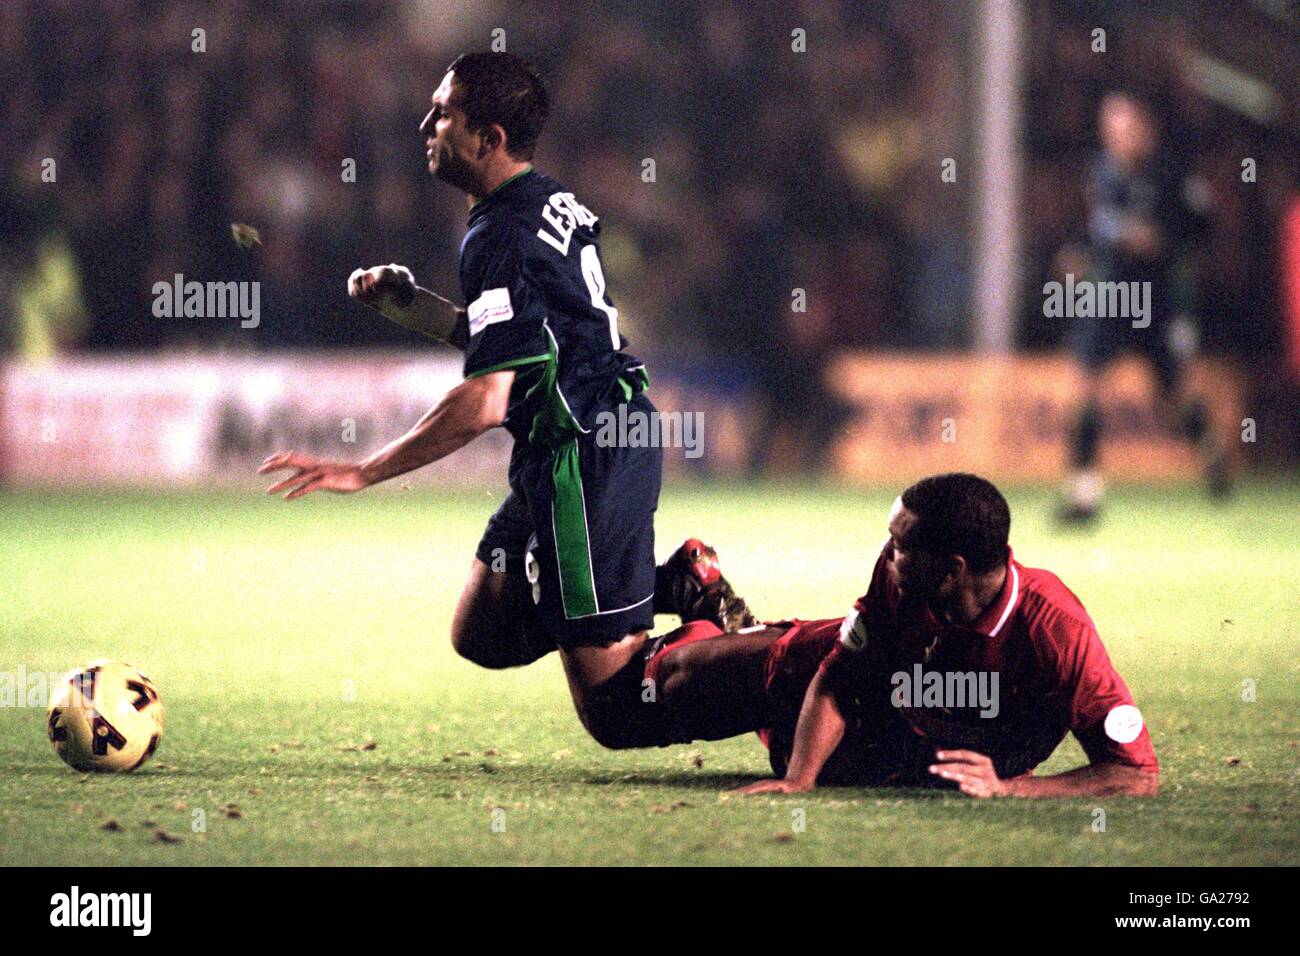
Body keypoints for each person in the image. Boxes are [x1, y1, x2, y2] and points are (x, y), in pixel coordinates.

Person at [258, 52, 752, 747]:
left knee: (616, 710)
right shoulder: (542, 200)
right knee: (483, 629)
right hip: (576, 440)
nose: (425, 123)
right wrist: (414, 309)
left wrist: (365, 470)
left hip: (587, 455)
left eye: (443, 113)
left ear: (488, 138)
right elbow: (516, 346)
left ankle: (773, 674)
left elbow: (489, 399)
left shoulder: (499, 234)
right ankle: (669, 585)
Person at [646, 474, 1159, 798]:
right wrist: (798, 781)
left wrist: (1012, 790)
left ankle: (726, 618)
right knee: (646, 695)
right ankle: (708, 600)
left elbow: (1134, 773)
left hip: (894, 734)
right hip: (809, 670)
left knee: (838, 768)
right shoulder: (897, 579)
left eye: (901, 545)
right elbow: (837, 679)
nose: (888, 554)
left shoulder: (1055, 631)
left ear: (952, 569)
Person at [1057, 91, 1228, 523]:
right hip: (1110, 295)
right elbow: (1090, 229)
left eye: (1126, 129)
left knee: (1173, 397)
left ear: (1145, 131)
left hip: (1157, 300)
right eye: (1110, 130)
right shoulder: (1099, 172)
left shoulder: (1173, 176)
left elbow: (1203, 229)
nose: (1117, 138)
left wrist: (1162, 242)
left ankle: (1210, 452)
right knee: (1083, 386)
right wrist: (1075, 256)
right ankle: (1084, 494)